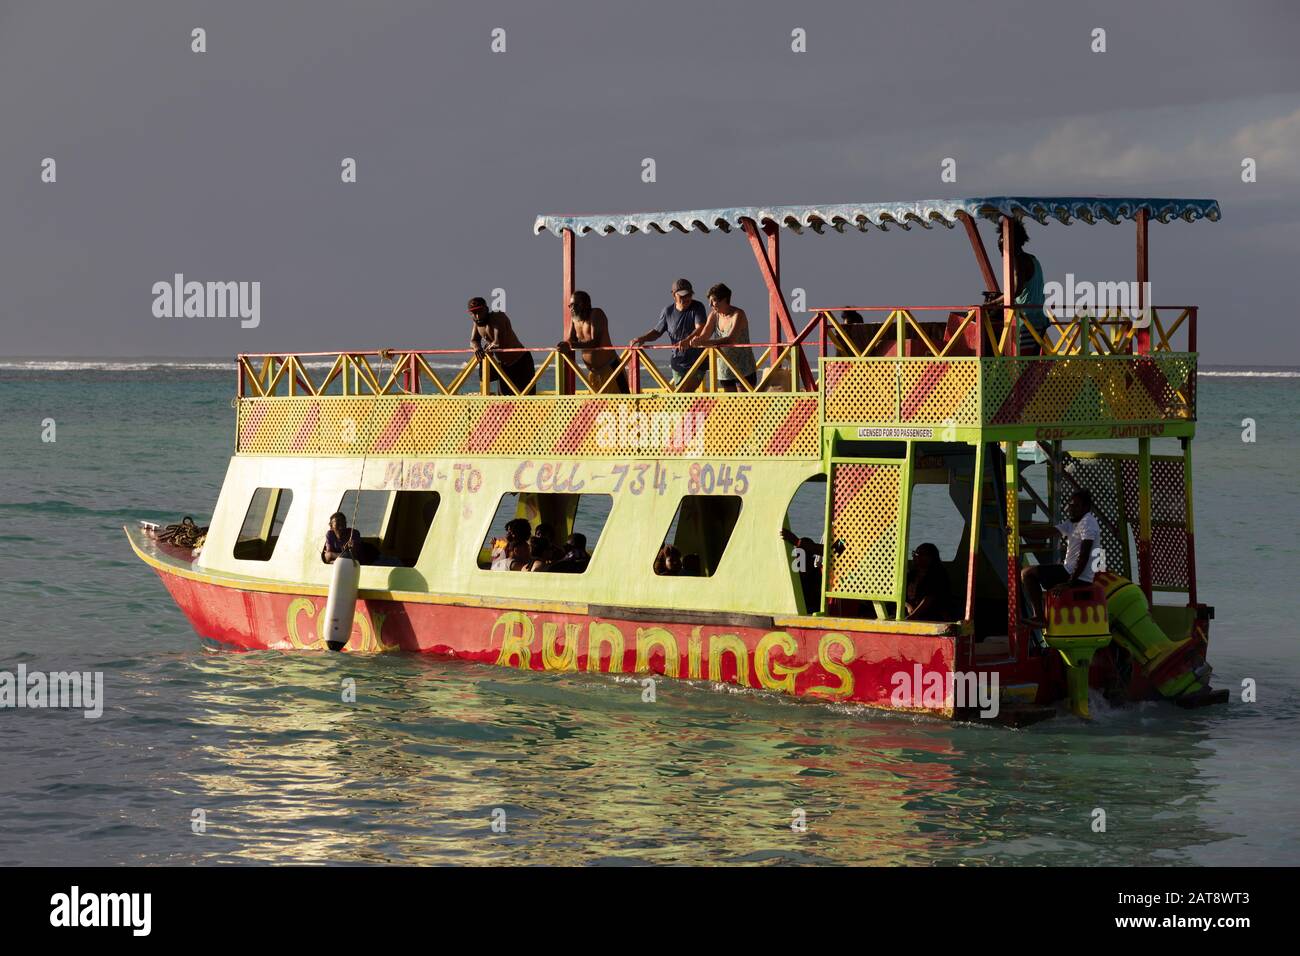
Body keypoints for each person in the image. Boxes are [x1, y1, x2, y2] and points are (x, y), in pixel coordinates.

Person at [1021, 489, 1100, 626]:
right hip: (1068, 571)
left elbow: (1084, 556)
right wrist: (1019, 531)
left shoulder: (1088, 523)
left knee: (1027, 573)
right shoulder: (1073, 523)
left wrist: (1069, 583)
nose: (1071, 509)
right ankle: (1040, 616)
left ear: (1086, 508)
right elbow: (1046, 533)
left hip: (1077, 576)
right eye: (1070, 505)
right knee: (1029, 572)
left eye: (1076, 506)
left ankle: (1039, 617)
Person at [981, 220, 1049, 355]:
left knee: (1019, 363)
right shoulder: (1033, 259)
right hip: (1038, 318)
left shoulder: (1018, 260)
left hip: (1025, 320)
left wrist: (993, 303)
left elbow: (1015, 291)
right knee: (1028, 362)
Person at [630, 278, 707, 390]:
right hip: (678, 362)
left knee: (686, 392)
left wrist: (688, 339)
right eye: (682, 296)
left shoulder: (698, 307)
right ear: (674, 296)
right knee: (681, 398)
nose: (686, 299)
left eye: (689, 295)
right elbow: (657, 332)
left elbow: (700, 327)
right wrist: (642, 338)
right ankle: (695, 408)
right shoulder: (668, 311)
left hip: (698, 361)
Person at [684, 283, 757, 391]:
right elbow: (705, 335)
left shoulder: (738, 314)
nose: (710, 305)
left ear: (724, 300)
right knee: (730, 405)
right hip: (724, 367)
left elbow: (730, 339)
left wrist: (704, 343)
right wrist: (696, 340)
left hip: (743, 367)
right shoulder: (714, 315)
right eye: (710, 301)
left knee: (744, 405)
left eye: (713, 301)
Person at [558, 290, 628, 393]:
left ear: (584, 304)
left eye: (574, 305)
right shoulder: (575, 320)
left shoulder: (596, 314)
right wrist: (565, 344)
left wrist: (571, 344)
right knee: (596, 408)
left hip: (611, 370)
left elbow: (595, 342)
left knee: (622, 406)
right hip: (593, 373)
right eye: (570, 306)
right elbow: (570, 339)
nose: (572, 308)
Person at [469, 296, 535, 395]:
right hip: (504, 365)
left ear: (486, 309)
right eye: (474, 313)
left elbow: (497, 341)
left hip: (521, 361)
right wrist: (477, 348)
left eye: (479, 312)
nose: (477, 316)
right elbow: (473, 340)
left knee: (526, 398)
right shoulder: (477, 323)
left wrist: (492, 344)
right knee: (505, 398)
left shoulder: (497, 316)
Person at [905, 542, 952, 621]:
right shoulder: (911, 574)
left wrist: (914, 615)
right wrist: (907, 606)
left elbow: (929, 598)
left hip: (931, 616)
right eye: (915, 553)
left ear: (931, 558)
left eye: (919, 554)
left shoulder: (938, 575)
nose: (914, 556)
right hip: (910, 614)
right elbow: (901, 595)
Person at [781, 528, 825, 613]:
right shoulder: (814, 571)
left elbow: (835, 549)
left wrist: (798, 542)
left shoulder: (814, 573)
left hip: (811, 607)